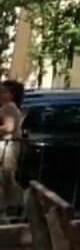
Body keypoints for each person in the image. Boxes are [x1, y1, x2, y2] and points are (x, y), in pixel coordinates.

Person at [0, 80, 25, 218]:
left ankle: (15, 206)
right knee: (7, 180)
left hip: (7, 149)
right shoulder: (7, 107)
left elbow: (8, 128)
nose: (0, 94)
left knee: (6, 179)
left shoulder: (9, 107)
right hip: (6, 147)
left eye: (4, 91)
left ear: (11, 94)